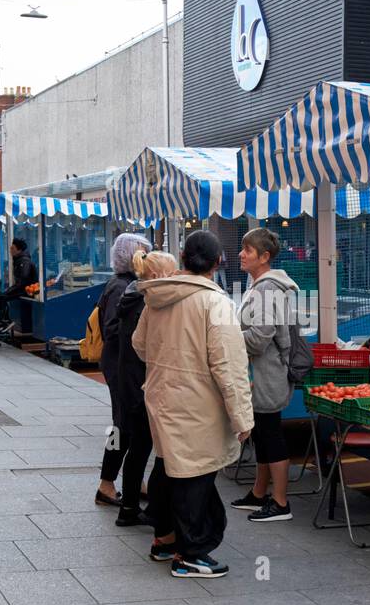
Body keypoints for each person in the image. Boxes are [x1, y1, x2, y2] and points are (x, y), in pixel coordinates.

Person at [133, 230, 252, 579]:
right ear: (217, 263)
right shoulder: (215, 303)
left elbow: (140, 344)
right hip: (199, 403)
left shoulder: (156, 298)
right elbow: (229, 366)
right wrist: (242, 417)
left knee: (169, 467)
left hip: (162, 396)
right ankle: (191, 553)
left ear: (183, 258)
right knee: (194, 477)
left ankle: (164, 540)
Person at [109, 248, 179, 533]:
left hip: (131, 381)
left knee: (138, 447)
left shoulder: (132, 295)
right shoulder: (147, 303)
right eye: (172, 273)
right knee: (144, 448)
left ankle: (129, 508)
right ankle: (134, 509)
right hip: (142, 383)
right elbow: (148, 348)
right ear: (157, 276)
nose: (176, 278)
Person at [232, 227, 299, 523]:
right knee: (260, 432)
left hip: (268, 374)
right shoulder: (258, 285)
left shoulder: (266, 288)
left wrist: (227, 338)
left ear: (264, 257)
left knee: (270, 434)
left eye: (248, 250)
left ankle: (281, 502)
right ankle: (259, 493)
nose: (241, 254)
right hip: (262, 372)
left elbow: (260, 337)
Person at [95, 232, 151, 508]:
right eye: (141, 251)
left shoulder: (129, 283)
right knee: (123, 426)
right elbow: (112, 329)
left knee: (130, 426)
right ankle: (106, 484)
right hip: (120, 366)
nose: (146, 256)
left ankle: (134, 480)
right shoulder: (122, 286)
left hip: (124, 364)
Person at [0, 237, 39, 302]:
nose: (10, 250)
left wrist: (8, 292)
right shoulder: (18, 260)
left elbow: (23, 282)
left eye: (12, 248)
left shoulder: (24, 261)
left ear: (19, 250)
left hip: (28, 295)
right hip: (25, 293)